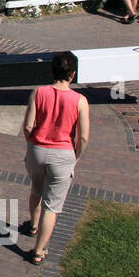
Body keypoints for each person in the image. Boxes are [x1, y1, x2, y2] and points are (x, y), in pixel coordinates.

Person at [22, 52, 90, 265]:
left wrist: (32, 144)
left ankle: (33, 225)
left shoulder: (38, 92)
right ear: (73, 75)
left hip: (37, 149)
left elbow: (27, 126)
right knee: (52, 206)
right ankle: (39, 251)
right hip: (63, 155)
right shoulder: (80, 101)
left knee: (36, 190)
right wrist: (75, 157)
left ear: (52, 71)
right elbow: (84, 137)